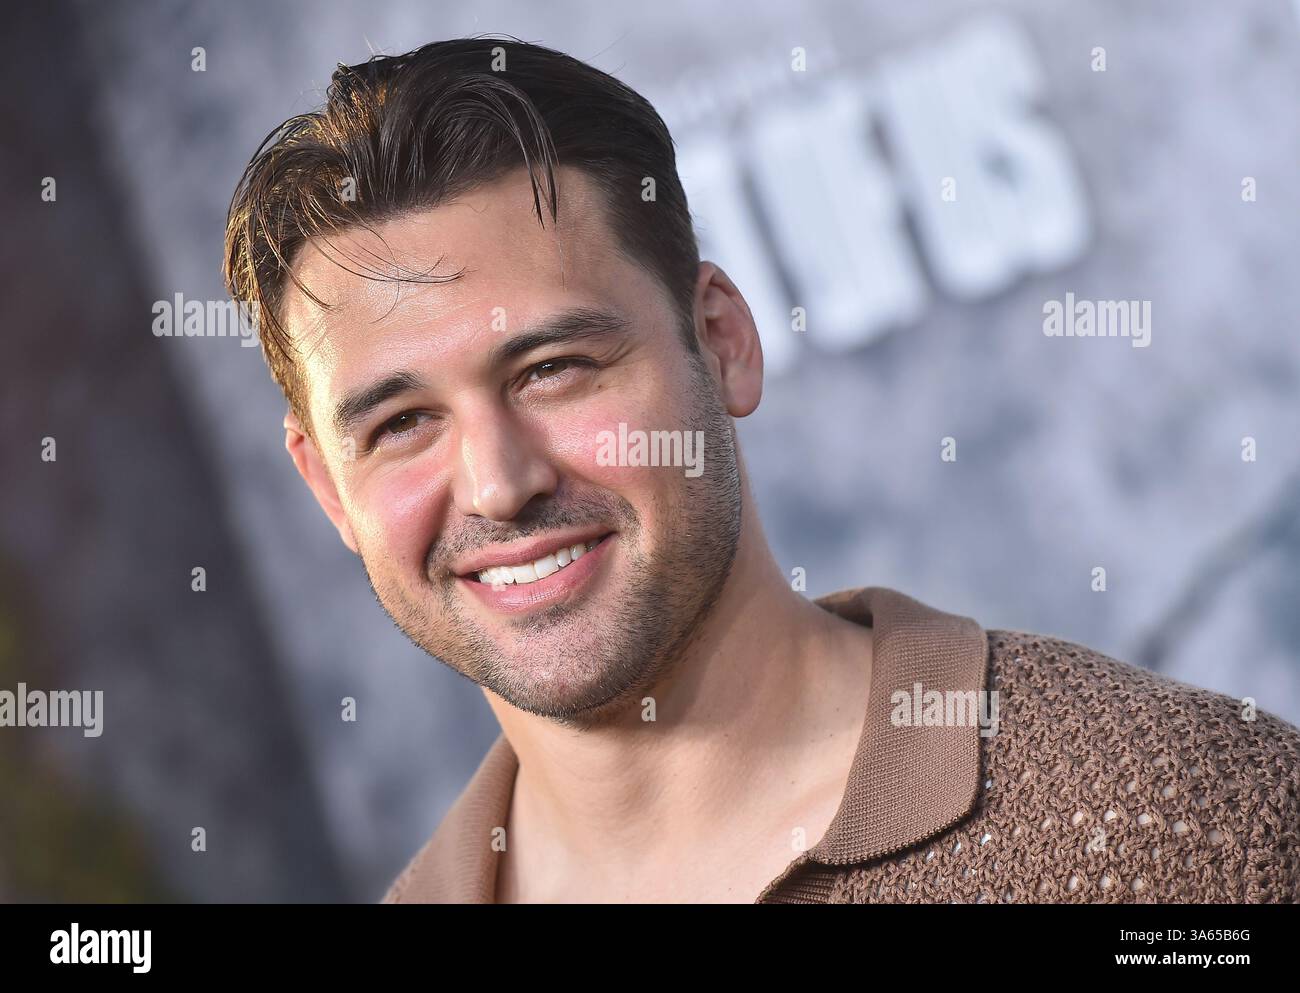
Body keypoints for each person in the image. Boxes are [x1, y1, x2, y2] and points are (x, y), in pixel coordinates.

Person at [223, 37, 1300, 903]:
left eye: (554, 370)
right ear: (328, 489)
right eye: (403, 422)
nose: (500, 484)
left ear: (722, 340)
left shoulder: (1171, 826)